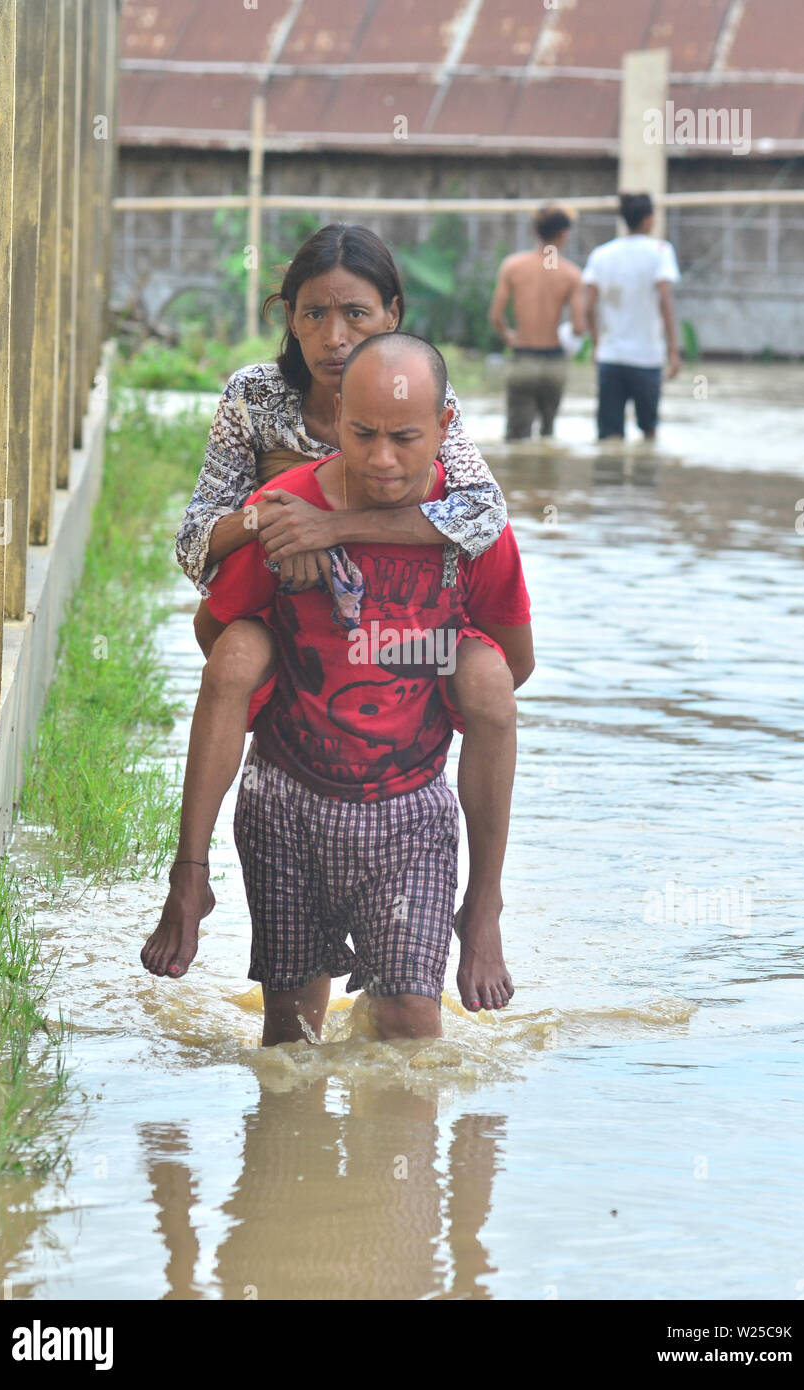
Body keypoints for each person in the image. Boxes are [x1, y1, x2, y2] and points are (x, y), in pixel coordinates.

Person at [142, 226, 519, 1010]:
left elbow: (482, 515)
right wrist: (274, 516)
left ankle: (482, 903)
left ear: (392, 315)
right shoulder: (254, 396)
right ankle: (190, 873)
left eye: (354, 314)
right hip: (279, 612)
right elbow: (192, 543)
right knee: (236, 660)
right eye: (312, 315)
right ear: (288, 317)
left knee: (487, 683)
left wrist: (333, 526)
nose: (333, 336)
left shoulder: (423, 394)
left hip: (399, 630)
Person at [207, 333, 533, 1043]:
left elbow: (514, 667)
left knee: (413, 1034)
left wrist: (412, 655)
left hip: (409, 807)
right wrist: (286, 647)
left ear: (445, 429)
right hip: (289, 795)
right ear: (334, 418)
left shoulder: (472, 526)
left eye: (405, 438)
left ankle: (482, 908)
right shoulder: (287, 510)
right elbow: (217, 636)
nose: (382, 459)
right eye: (362, 435)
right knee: (290, 1041)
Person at [582, 192, 682, 441]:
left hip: (611, 357)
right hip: (646, 359)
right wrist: (673, 350)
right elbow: (665, 301)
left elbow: (587, 307)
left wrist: (597, 344)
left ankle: (607, 479)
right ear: (648, 219)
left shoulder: (601, 254)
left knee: (609, 436)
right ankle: (645, 479)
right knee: (649, 433)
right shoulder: (661, 251)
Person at [489, 205, 586, 440]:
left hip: (523, 360)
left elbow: (495, 317)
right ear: (564, 234)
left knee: (516, 438)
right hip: (553, 364)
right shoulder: (571, 274)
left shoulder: (513, 266)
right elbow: (579, 327)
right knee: (547, 437)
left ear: (534, 232)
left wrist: (508, 336)